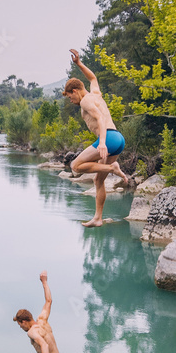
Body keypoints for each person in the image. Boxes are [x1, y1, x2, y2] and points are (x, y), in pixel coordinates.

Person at [64, 49, 129, 228]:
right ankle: (98, 218)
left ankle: (112, 167)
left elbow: (100, 118)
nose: (71, 101)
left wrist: (101, 143)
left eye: (70, 97)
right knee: (98, 180)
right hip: (119, 139)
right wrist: (79, 64)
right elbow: (93, 78)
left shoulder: (85, 101)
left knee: (75, 166)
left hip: (107, 138)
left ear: (75, 91)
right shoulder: (96, 94)